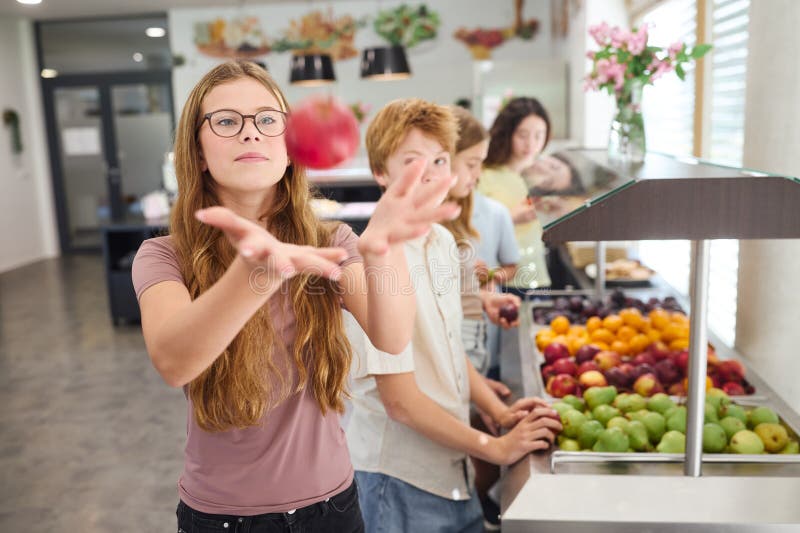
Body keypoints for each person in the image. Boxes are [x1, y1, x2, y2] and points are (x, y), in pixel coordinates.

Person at [131, 60, 458, 533]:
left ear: (289, 147)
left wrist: (385, 251)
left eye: (268, 119)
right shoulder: (163, 254)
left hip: (334, 508)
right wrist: (256, 274)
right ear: (198, 151)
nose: (251, 134)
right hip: (223, 519)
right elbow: (174, 360)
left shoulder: (332, 240)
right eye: (226, 121)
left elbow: (391, 335)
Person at [346, 98, 562, 533]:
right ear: (380, 173)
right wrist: (495, 448)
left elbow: (447, 347)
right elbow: (400, 403)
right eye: (411, 161)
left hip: (451, 465)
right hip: (401, 477)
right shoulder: (373, 258)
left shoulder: (442, 242)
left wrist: (498, 413)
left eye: (440, 160)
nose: (429, 174)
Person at [441, 105, 521, 376]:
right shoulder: (421, 231)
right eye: (472, 164)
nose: (477, 175)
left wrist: (482, 292)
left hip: (468, 359)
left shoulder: (487, 212)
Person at [478, 96, 553, 294]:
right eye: (523, 135)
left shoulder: (545, 175)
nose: (531, 144)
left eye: (539, 135)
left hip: (536, 275)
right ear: (507, 134)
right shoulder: (484, 174)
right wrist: (510, 218)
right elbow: (471, 231)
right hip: (498, 280)